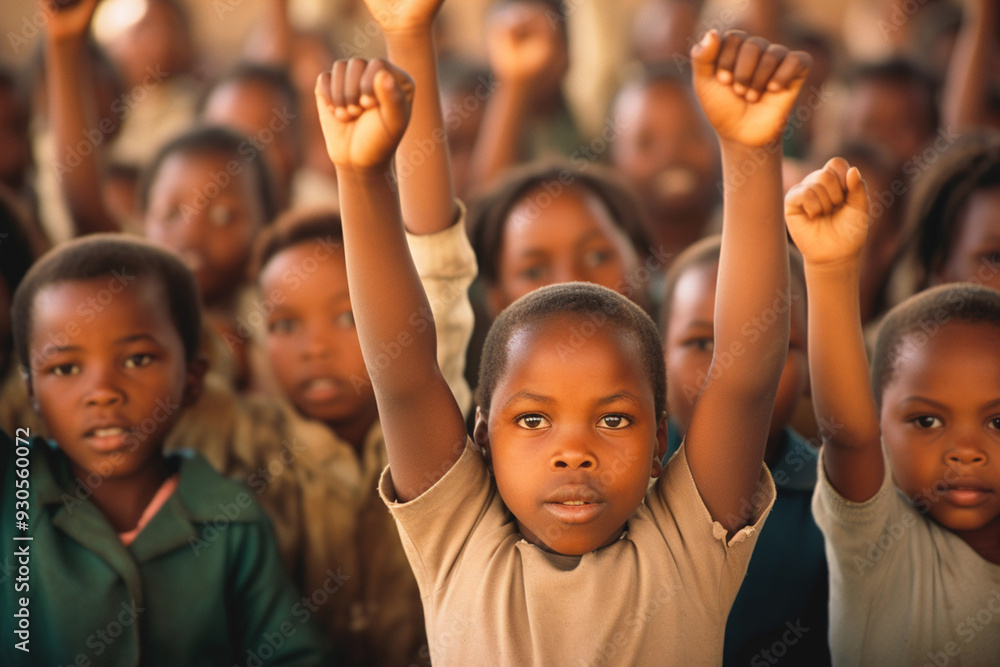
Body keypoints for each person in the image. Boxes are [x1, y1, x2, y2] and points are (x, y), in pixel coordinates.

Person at [316, 26, 810, 662]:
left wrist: (750, 154)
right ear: (482, 438)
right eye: (532, 419)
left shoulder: (689, 541)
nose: (573, 452)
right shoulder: (457, 537)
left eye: (613, 418)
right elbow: (402, 372)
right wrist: (360, 178)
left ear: (660, 443)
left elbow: (744, 374)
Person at [0, 236, 324, 667]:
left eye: (136, 360)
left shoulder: (232, 519)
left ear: (192, 379)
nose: (102, 392)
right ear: (32, 395)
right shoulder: (13, 486)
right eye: (65, 368)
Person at [785, 157, 1000, 665]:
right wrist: (831, 268)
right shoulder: (876, 539)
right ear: (879, 426)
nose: (965, 451)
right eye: (926, 421)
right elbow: (848, 435)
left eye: (999, 421)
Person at [660, 236, 830, 665]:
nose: (734, 371)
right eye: (702, 343)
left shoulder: (838, 505)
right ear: (659, 361)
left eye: (770, 345)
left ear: (812, 363)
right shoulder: (621, 485)